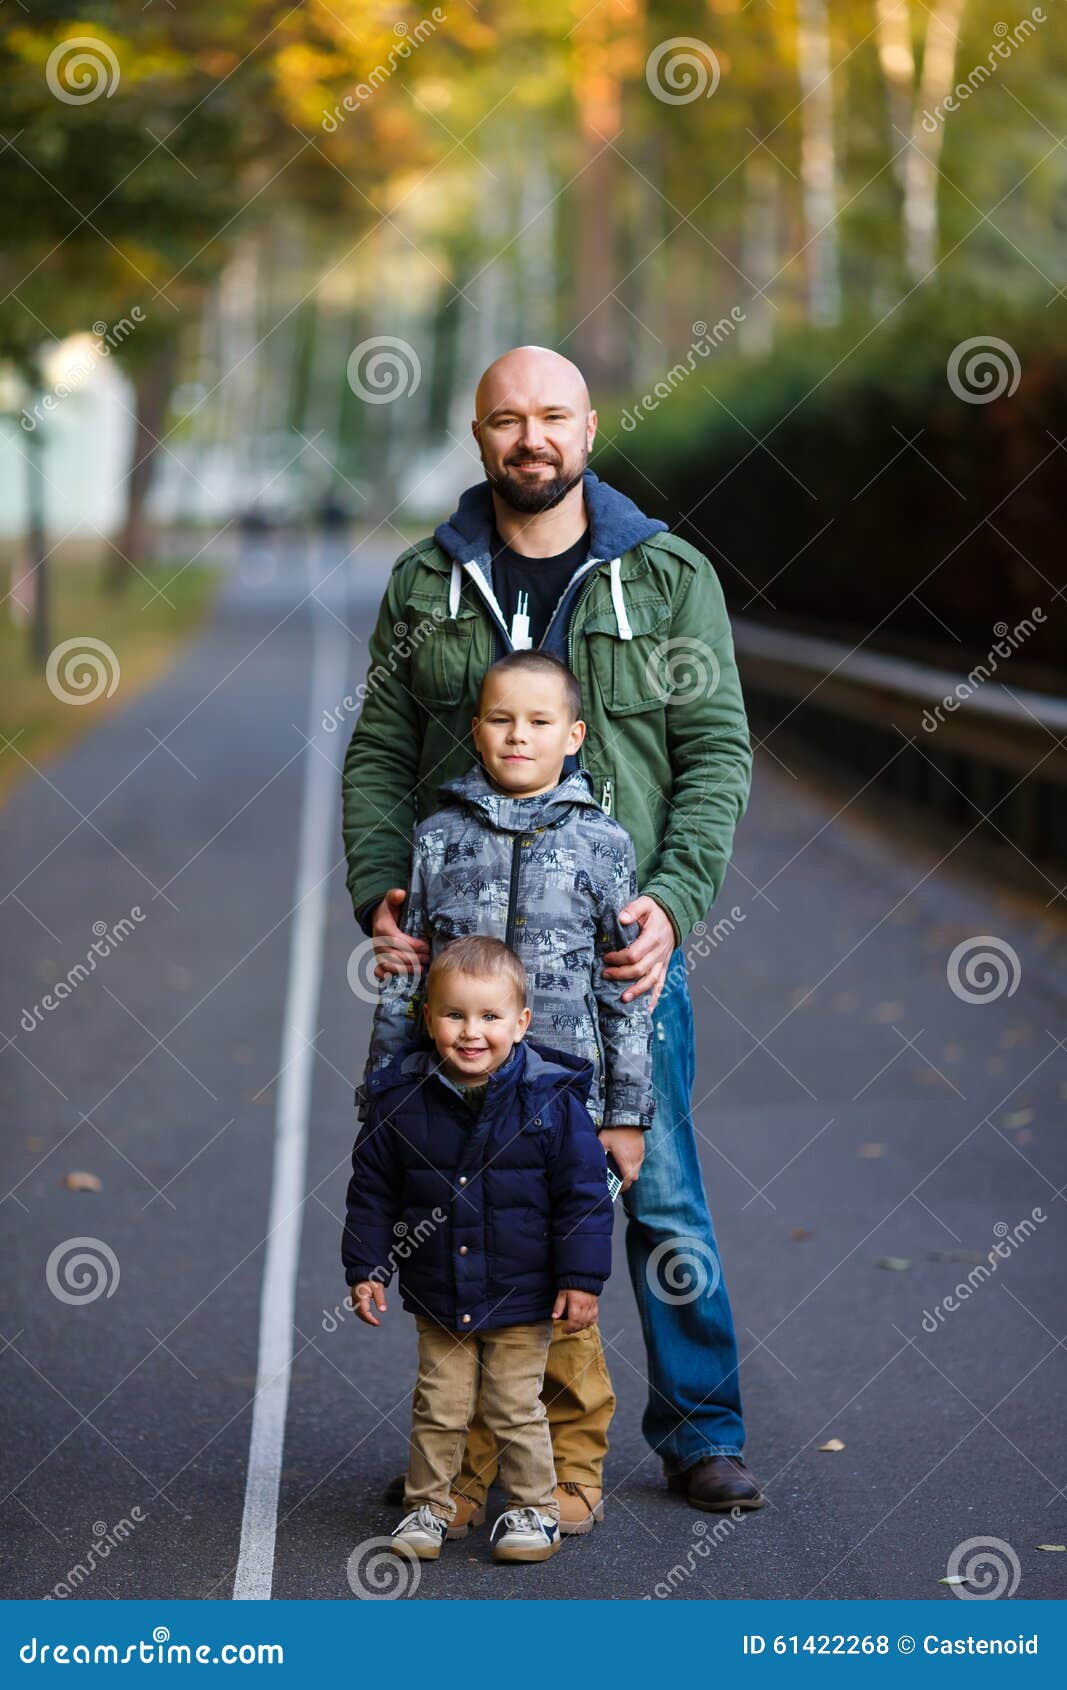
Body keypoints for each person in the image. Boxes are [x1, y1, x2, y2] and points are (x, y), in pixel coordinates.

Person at [341, 344, 762, 1514]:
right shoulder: (426, 585)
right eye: (506, 419)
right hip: (459, 970)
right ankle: (465, 1455)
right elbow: (379, 751)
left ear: (588, 429)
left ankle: (701, 1430)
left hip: (613, 964)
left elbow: (715, 753)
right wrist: (378, 882)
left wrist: (671, 903)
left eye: (553, 417)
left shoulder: (668, 577)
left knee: (655, 1189)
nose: (531, 437)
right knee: (458, 1197)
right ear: (479, 436)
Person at [361, 647, 653, 1532]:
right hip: (450, 1108)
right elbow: (406, 981)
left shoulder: (602, 843)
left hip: (562, 1110)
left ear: (572, 736)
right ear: (475, 728)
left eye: (536, 721)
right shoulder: (440, 835)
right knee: (462, 1280)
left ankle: (570, 1474)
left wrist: (626, 1115)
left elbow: (625, 995)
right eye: (498, 718)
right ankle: (464, 1481)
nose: (516, 735)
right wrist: (382, 1097)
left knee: (559, 1297)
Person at [343, 936, 613, 1564]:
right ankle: (431, 1507)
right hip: (440, 1289)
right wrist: (367, 1267)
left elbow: (583, 1198)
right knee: (439, 1404)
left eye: (490, 1017)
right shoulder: (401, 1102)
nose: (471, 1032)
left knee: (515, 1402)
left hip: (523, 1290)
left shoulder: (551, 1101)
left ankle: (532, 1509)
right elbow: (372, 1194)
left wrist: (580, 1279)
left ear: (521, 1024)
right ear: (429, 1018)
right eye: (455, 1014)